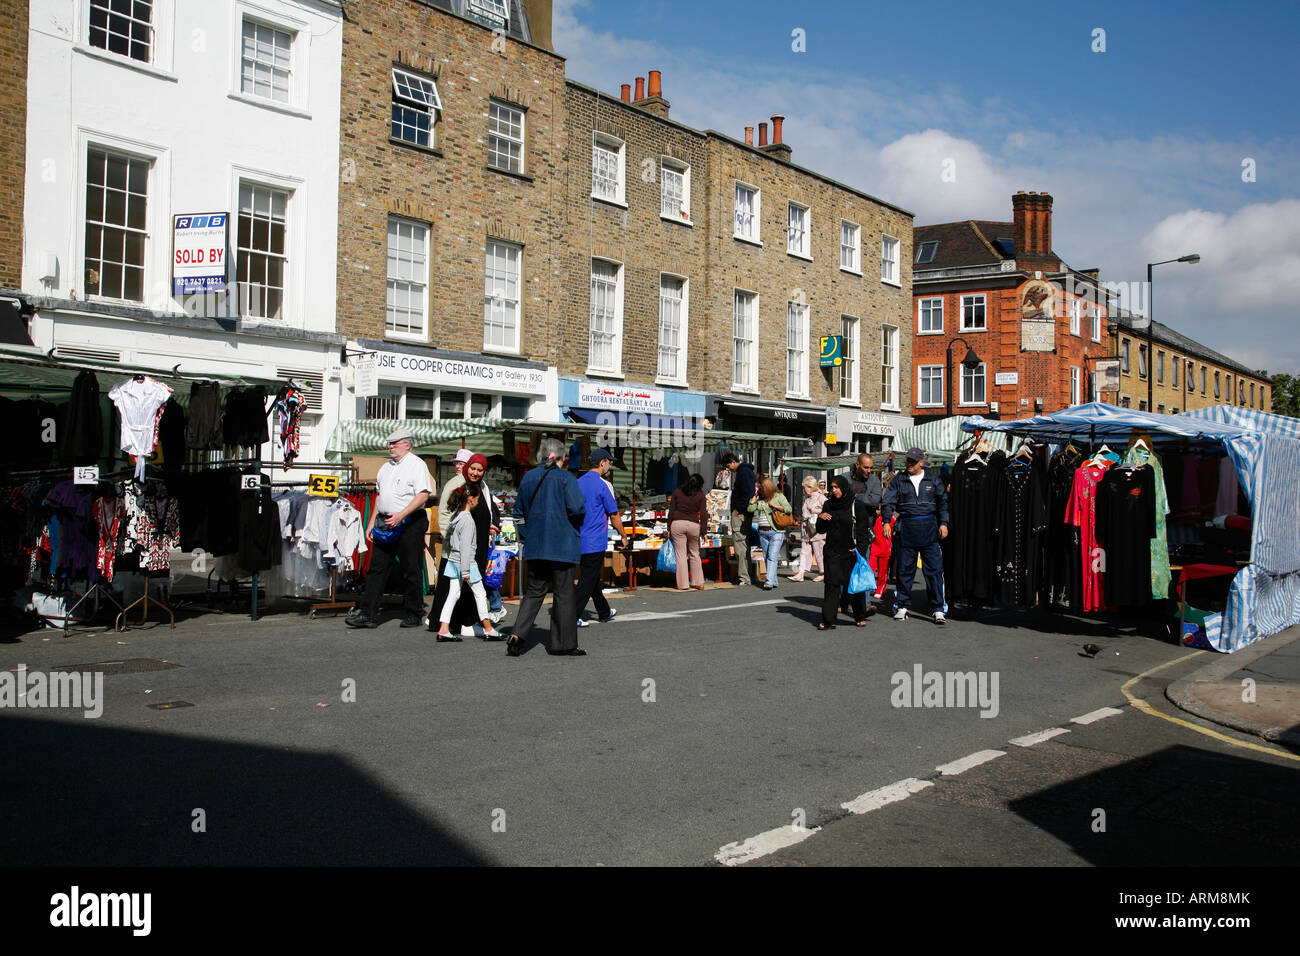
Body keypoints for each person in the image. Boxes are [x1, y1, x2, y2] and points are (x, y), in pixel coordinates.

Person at [507, 438, 588, 657]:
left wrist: (527, 536)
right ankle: (562, 644)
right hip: (562, 545)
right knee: (563, 594)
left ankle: (517, 635)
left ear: (543, 456)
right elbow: (578, 508)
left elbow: (518, 513)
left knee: (534, 592)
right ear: (561, 458)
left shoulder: (528, 478)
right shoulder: (565, 478)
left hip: (535, 545)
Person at [346, 429, 434, 629]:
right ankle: (368, 614)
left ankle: (413, 612)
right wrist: (370, 524)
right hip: (386, 520)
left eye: (395, 443)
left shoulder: (416, 465)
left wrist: (401, 515)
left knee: (411, 568)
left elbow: (422, 495)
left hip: (410, 520)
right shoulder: (385, 467)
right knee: (377, 568)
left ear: (407, 445)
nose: (391, 446)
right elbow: (380, 497)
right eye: (390, 443)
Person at [429, 451, 497, 638]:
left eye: (479, 470)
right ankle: (463, 623)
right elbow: (444, 514)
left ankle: (451, 623)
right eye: (473, 468)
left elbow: (485, 509)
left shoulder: (481, 485)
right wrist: (451, 539)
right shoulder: (457, 484)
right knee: (462, 588)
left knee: (458, 590)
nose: (475, 473)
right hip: (460, 547)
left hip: (478, 544)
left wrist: (489, 523)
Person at [881, 446, 949, 625]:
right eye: (907, 460)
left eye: (912, 461)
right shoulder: (899, 480)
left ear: (921, 462)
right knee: (905, 570)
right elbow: (888, 501)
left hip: (929, 528)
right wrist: (886, 521)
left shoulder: (933, 479)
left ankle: (938, 608)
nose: (908, 464)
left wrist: (944, 523)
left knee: (934, 571)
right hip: (907, 528)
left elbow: (943, 503)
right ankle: (902, 605)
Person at [434, 485, 503, 640]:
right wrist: (465, 571)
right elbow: (466, 547)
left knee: (453, 594)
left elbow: (454, 542)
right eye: (478, 499)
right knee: (480, 594)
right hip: (467, 563)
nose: (478, 502)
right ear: (470, 500)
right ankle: (488, 628)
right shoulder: (468, 520)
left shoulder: (456, 517)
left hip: (453, 560)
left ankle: (443, 628)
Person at [575, 448, 627, 627]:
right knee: (588, 579)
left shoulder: (577, 482)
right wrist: (624, 535)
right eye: (609, 462)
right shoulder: (604, 484)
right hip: (595, 539)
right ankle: (572, 615)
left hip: (579, 537)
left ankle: (603, 611)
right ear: (602, 462)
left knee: (591, 577)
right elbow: (614, 515)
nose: (610, 465)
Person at [814, 475, 873, 629]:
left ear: (844, 488)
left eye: (837, 487)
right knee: (831, 586)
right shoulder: (828, 505)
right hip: (832, 551)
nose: (834, 490)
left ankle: (859, 616)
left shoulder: (856, 505)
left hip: (851, 551)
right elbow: (821, 530)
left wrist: (859, 550)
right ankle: (828, 620)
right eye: (832, 487)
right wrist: (821, 518)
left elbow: (863, 532)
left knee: (853, 586)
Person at [747, 477, 792, 590]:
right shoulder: (760, 498)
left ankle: (769, 581)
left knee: (772, 557)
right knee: (767, 557)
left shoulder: (778, 496)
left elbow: (788, 509)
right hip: (762, 531)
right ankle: (774, 581)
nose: (759, 490)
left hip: (776, 531)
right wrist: (752, 501)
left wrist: (775, 505)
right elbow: (750, 509)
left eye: (761, 488)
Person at [720, 451, 758, 586]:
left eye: (728, 466)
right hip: (743, 513)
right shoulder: (746, 471)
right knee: (743, 545)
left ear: (732, 462)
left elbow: (748, 493)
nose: (728, 469)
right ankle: (747, 575)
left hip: (741, 514)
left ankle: (745, 577)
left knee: (740, 546)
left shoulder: (743, 472)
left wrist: (738, 509)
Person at [667, 472, 708, 590]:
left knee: (681, 555)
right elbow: (703, 514)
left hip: (677, 524)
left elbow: (671, 511)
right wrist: (704, 531)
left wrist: (668, 528)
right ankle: (697, 582)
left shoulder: (677, 492)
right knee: (695, 553)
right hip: (694, 525)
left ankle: (683, 584)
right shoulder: (700, 495)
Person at [790, 475, 826, 582]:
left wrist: (816, 511)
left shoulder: (821, 497)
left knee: (819, 551)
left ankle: (822, 572)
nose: (803, 489)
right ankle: (801, 572)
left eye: (804, 487)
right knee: (804, 551)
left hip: (817, 529)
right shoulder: (807, 499)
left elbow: (828, 509)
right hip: (806, 528)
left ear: (810, 486)